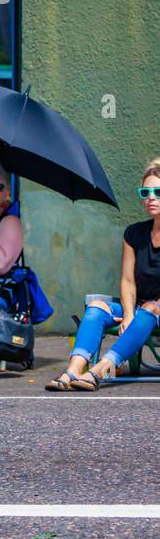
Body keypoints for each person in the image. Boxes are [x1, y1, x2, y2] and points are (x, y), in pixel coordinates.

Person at [46, 159, 160, 392]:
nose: (150, 197)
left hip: (155, 309)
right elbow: (128, 280)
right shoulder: (135, 233)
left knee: (151, 308)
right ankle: (74, 369)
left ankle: (102, 368)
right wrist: (128, 314)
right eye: (145, 191)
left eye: (157, 191)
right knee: (97, 306)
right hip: (139, 307)